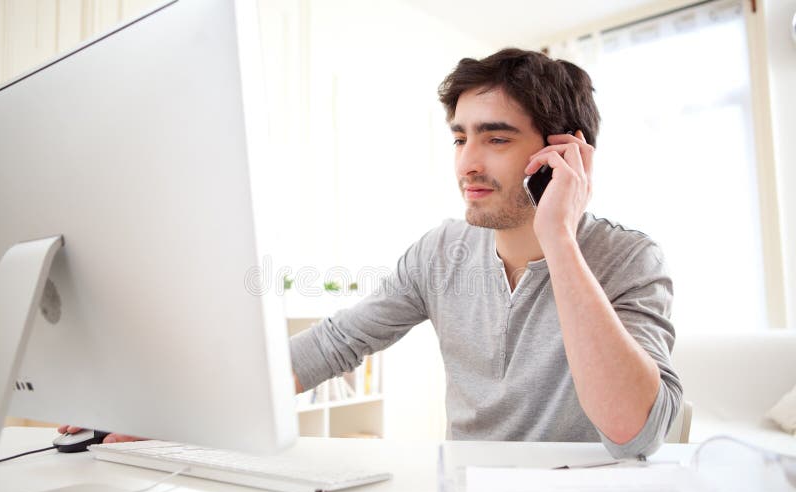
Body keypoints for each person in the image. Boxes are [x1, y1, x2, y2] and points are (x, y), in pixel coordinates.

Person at [62, 48, 681, 458]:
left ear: (565, 154)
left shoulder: (631, 259)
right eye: (460, 138)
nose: (467, 163)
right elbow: (333, 344)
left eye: (496, 139)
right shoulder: (440, 251)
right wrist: (172, 411)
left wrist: (560, 240)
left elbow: (635, 433)